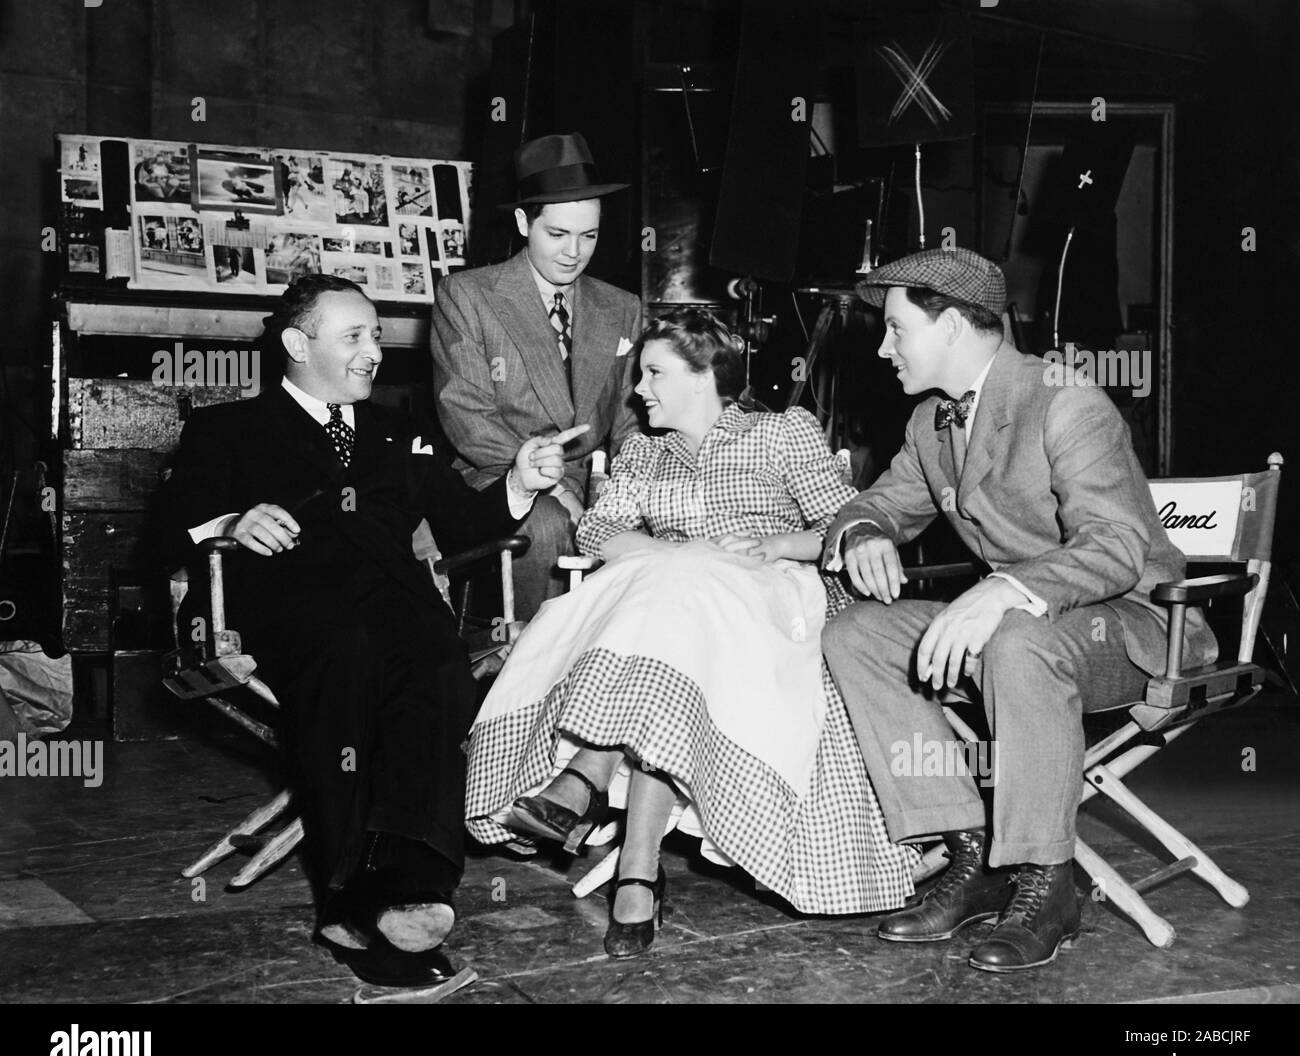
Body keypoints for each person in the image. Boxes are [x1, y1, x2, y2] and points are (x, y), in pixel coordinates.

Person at [157, 273, 584, 988]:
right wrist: (231, 523)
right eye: (353, 336)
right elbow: (167, 531)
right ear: (298, 343)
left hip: (390, 607)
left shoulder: (400, 431)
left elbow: (468, 528)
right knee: (347, 653)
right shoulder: (228, 429)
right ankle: (350, 906)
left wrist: (521, 482)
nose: (372, 352)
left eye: (376, 337)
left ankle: (413, 889)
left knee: (437, 660)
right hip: (275, 609)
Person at [464, 308, 919, 959]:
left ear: (706, 374)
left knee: (680, 599)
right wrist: (670, 558)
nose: (638, 390)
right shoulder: (645, 451)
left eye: (654, 373)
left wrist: (767, 543)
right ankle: (636, 873)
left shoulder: (782, 432)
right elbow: (598, 529)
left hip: (769, 598)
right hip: (672, 609)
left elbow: (843, 526)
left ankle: (587, 782)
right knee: (673, 610)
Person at [820, 248, 1218, 973]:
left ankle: (1047, 882)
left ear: (954, 327)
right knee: (858, 632)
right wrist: (868, 532)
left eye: (897, 329)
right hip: (1022, 628)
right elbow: (874, 503)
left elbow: (1119, 545)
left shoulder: (1067, 399)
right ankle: (972, 855)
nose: (883, 349)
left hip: (1134, 626)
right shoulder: (930, 425)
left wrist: (1004, 589)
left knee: (1016, 640)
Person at [431, 132, 642, 621]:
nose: (574, 252)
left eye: (588, 235)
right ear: (525, 223)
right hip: (502, 474)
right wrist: (556, 488)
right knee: (546, 526)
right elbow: (467, 419)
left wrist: (623, 490)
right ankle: (535, 675)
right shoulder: (468, 295)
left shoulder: (622, 307)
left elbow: (632, 418)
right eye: (558, 234)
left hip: (595, 480)